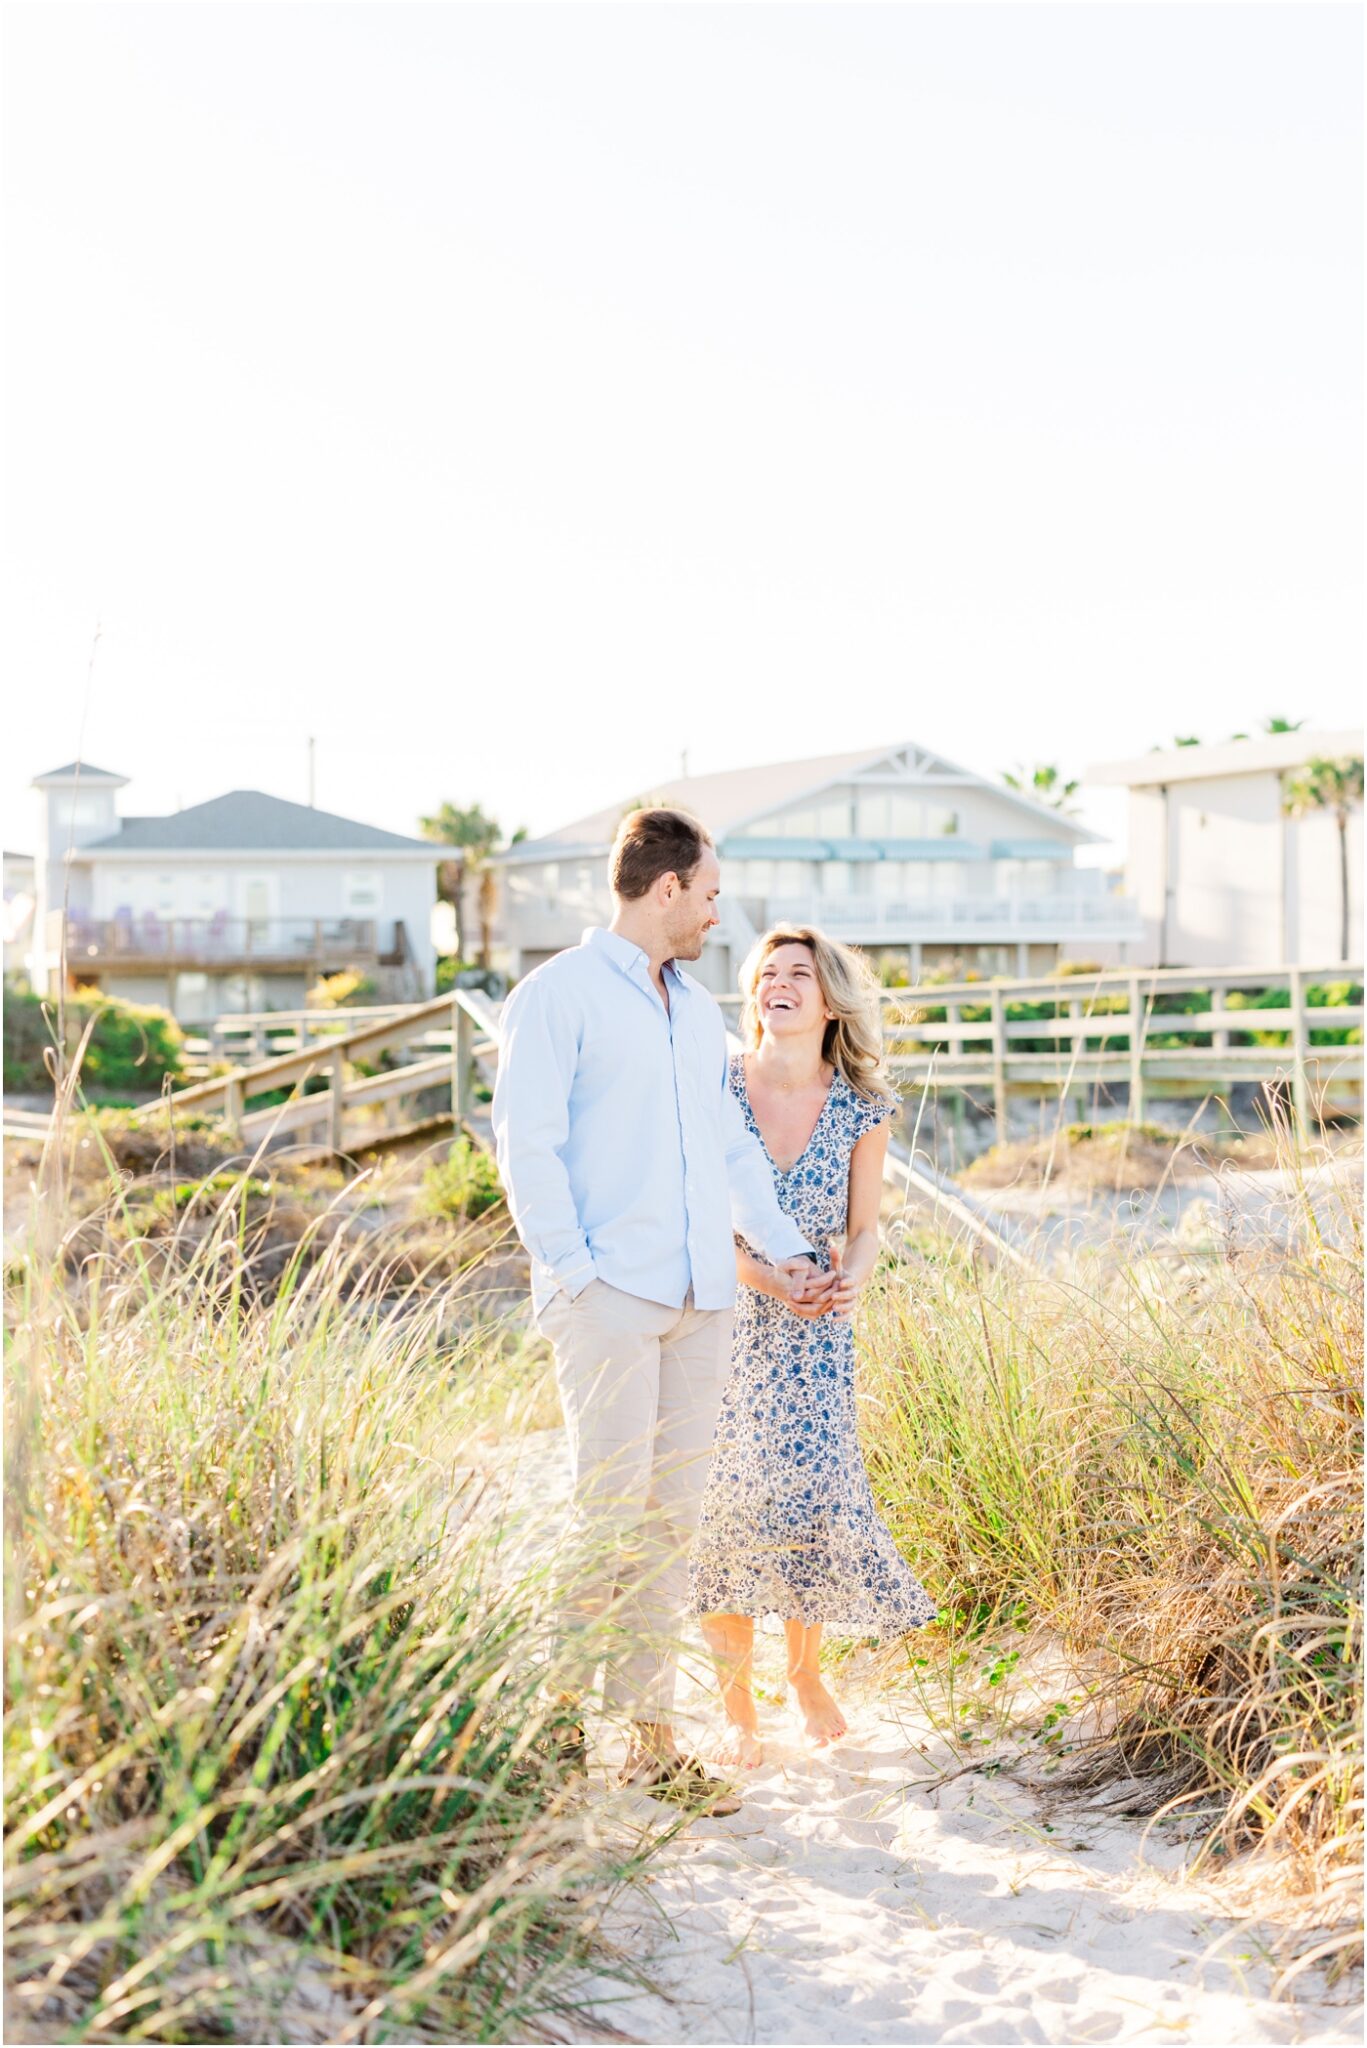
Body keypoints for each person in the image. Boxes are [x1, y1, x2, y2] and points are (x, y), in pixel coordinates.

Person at [492, 810, 832, 1808]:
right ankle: (550, 1738)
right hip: (607, 1297)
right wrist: (574, 1272)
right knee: (602, 1515)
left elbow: (730, 1151)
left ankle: (646, 1747)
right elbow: (525, 1146)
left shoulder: (695, 1011)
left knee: (666, 1528)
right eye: (711, 893)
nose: (719, 914)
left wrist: (788, 1247)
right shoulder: (554, 995)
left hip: (701, 1303)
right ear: (667, 886)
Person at [688, 925, 936, 1767]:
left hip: (820, 1326)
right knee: (722, 1506)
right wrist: (768, 1281)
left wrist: (851, 1279)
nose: (777, 985)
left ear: (829, 1000)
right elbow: (691, 1222)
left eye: (797, 974)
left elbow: (865, 1229)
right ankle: (734, 1709)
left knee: (808, 1501)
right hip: (724, 1313)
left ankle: (802, 1675)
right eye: (766, 973)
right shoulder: (710, 1086)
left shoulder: (861, 1104)